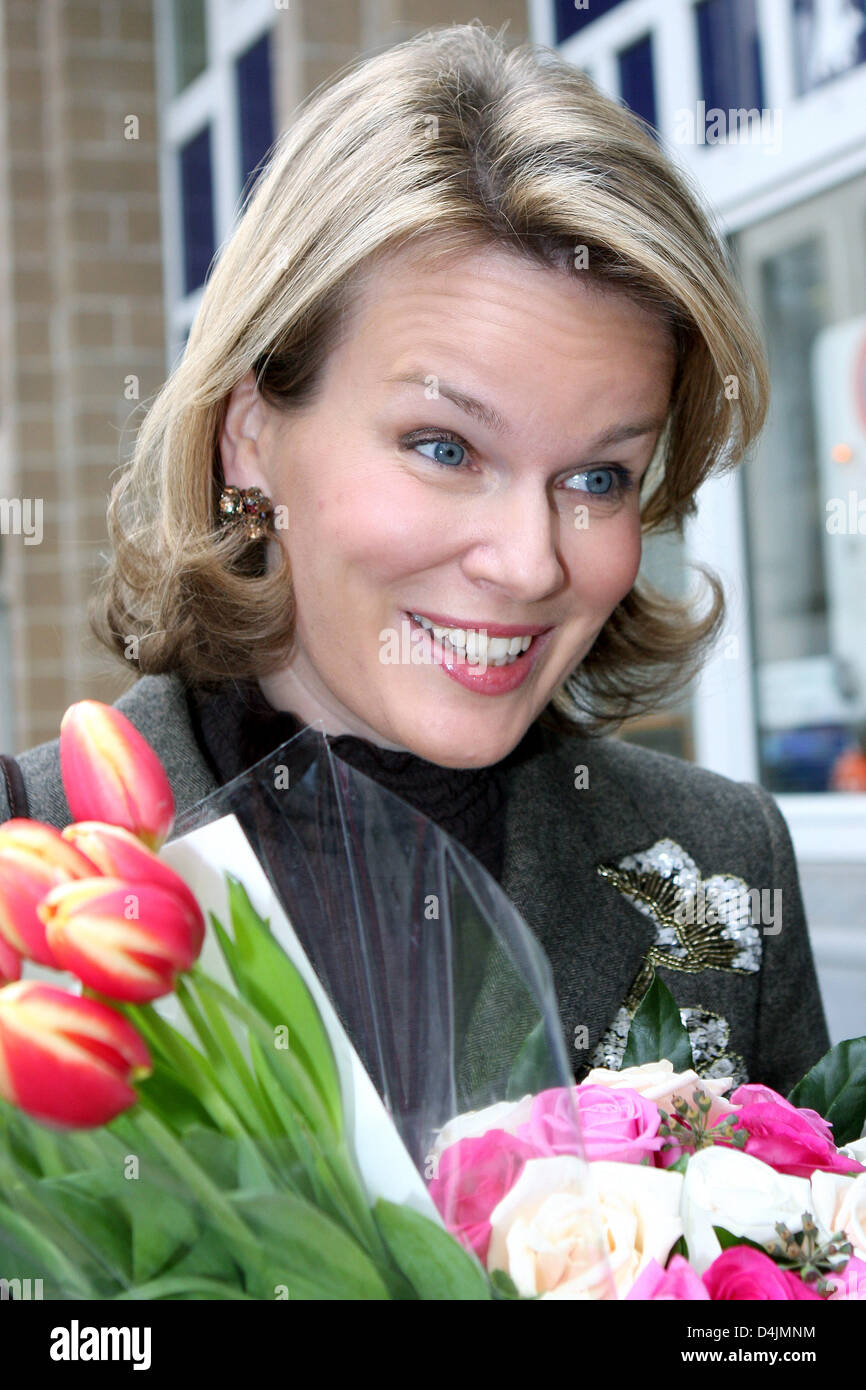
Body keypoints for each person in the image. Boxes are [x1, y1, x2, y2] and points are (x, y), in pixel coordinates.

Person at [0, 22, 830, 1096]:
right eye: (445, 448)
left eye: (597, 476)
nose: (529, 563)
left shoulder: (721, 857)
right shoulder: (29, 855)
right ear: (249, 434)